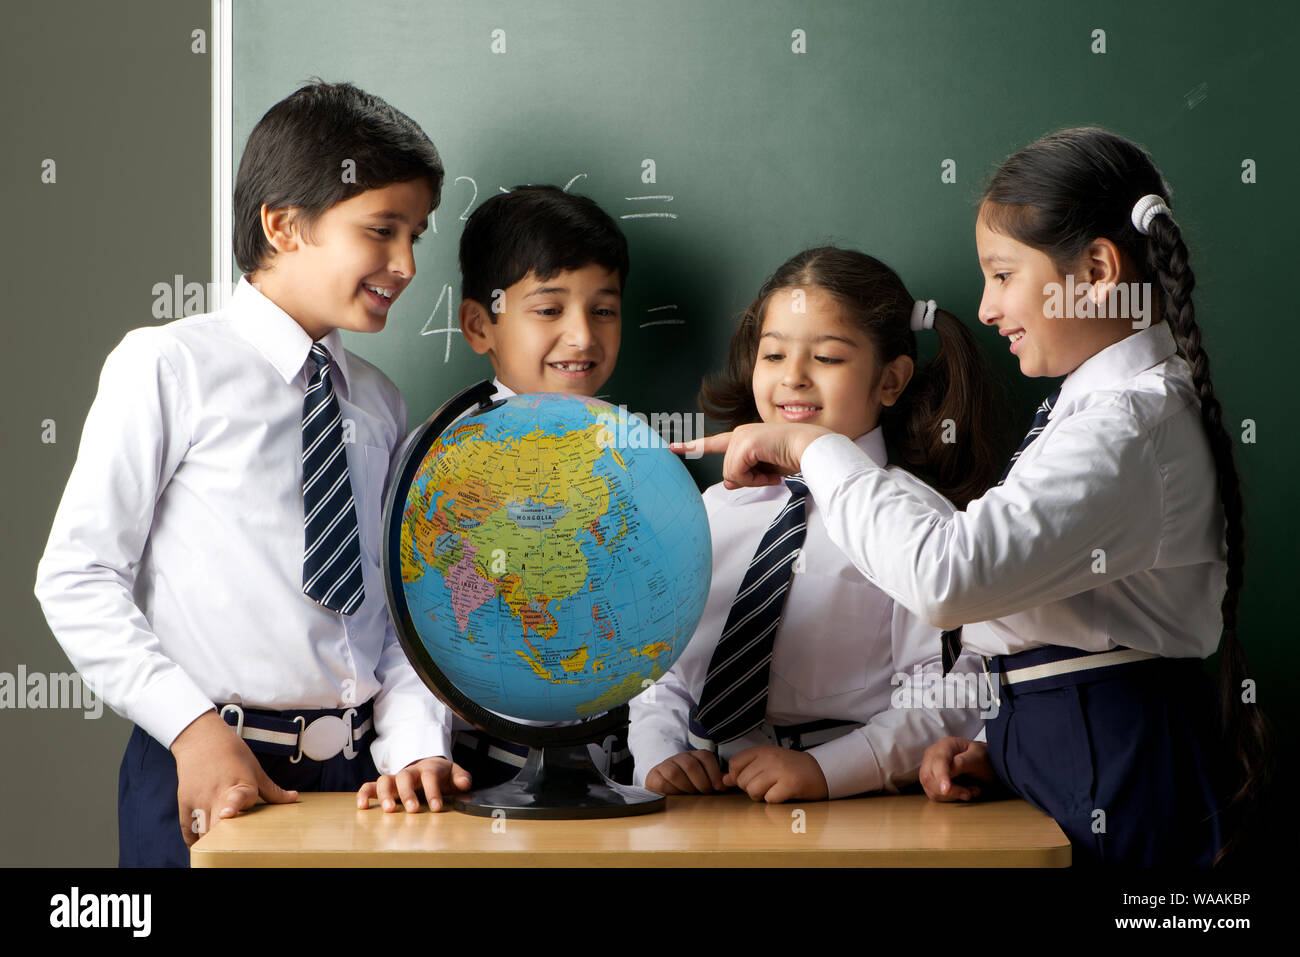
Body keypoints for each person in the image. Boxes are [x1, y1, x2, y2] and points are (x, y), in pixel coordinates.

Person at [680, 129, 1272, 866]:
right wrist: (1003, 742)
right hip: (1070, 746)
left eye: (1002, 274)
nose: (987, 308)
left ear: (1094, 270)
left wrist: (809, 448)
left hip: (1119, 762)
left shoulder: (1128, 423)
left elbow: (948, 577)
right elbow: (1038, 601)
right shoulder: (1091, 411)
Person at [34, 80, 467, 865]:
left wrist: (410, 745)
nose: (406, 263)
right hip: (207, 763)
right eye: (382, 230)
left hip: (361, 779)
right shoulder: (168, 366)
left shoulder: (378, 401)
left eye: (418, 235)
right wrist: (193, 730)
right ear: (283, 224)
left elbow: (404, 607)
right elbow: (78, 575)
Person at [630, 246, 999, 802]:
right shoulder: (709, 510)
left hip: (853, 804)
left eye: (826, 358)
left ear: (891, 381)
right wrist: (660, 753)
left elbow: (948, 691)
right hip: (704, 803)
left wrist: (829, 770)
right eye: (773, 355)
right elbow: (661, 666)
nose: (794, 378)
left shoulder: (911, 522)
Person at [365, 184, 634, 804]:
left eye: (604, 309)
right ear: (479, 325)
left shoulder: (640, 459)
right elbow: (405, 632)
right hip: (478, 773)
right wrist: (418, 752)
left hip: (615, 777)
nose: (582, 338)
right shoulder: (442, 462)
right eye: (548, 310)